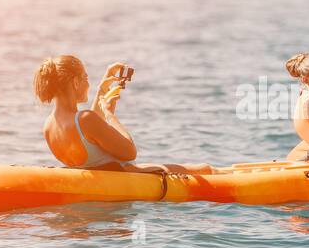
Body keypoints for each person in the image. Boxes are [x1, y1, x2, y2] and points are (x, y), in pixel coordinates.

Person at [33, 55, 211, 173]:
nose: (89, 84)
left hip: (100, 182)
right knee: (205, 169)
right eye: (86, 78)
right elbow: (130, 152)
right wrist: (111, 115)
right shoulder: (86, 119)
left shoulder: (48, 126)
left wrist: (102, 89)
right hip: (131, 176)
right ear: (75, 82)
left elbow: (90, 137)